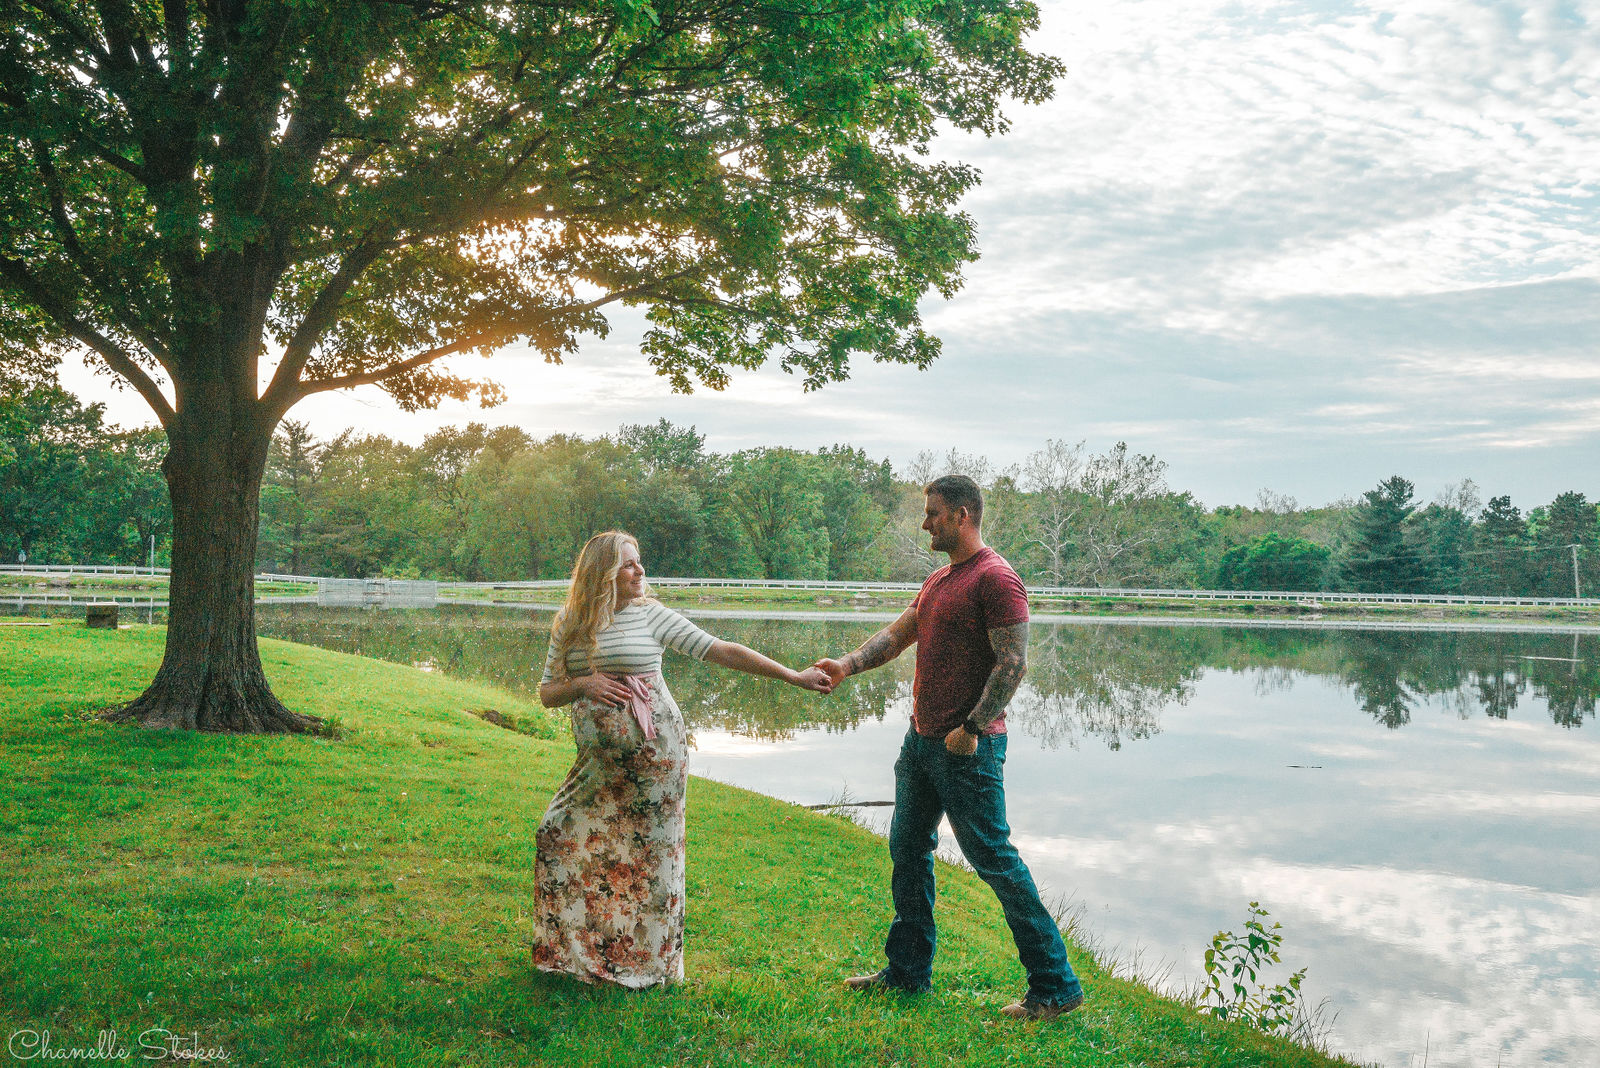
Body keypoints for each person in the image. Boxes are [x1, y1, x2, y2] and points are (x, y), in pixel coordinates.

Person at [815, 474, 1086, 1020]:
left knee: (995, 861)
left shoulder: (997, 579)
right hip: (920, 743)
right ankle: (908, 973)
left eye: (933, 513)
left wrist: (974, 727)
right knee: (907, 851)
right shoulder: (941, 581)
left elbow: (1014, 664)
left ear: (963, 515)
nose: (925, 522)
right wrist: (845, 665)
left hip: (967, 749)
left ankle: (1056, 986)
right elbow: (895, 637)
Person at [532, 530, 833, 988]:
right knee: (558, 832)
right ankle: (577, 955)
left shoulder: (651, 616)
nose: (640, 571)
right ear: (603, 573)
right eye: (629, 564)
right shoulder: (570, 623)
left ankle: (650, 967)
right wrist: (585, 685)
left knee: (652, 858)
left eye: (639, 562)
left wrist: (793, 676)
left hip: (657, 757)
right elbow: (547, 692)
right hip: (598, 765)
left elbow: (722, 650)